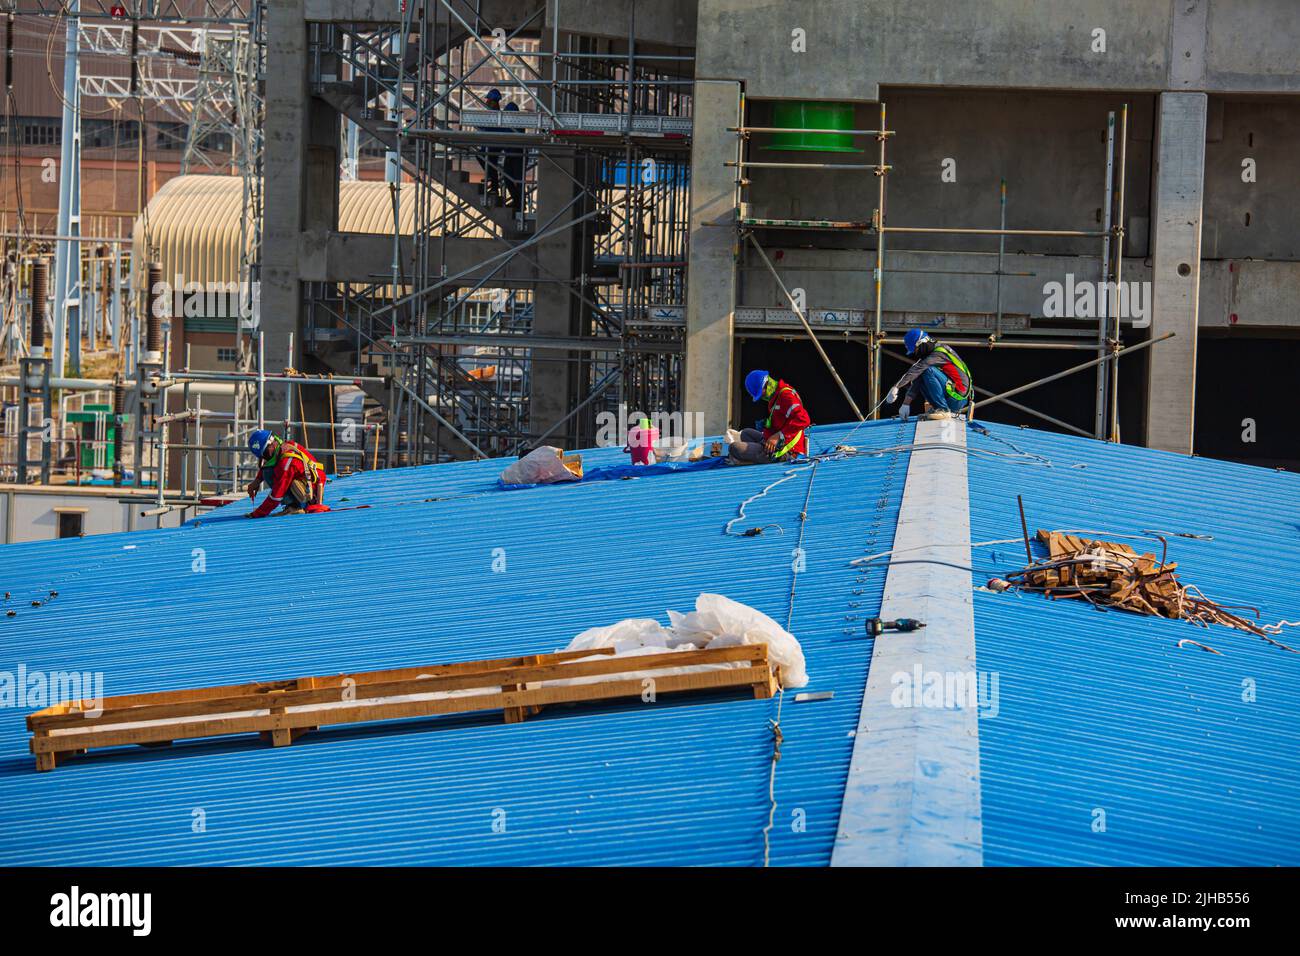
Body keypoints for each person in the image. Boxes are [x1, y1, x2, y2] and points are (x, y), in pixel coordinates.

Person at [887, 328, 972, 419]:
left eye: (916, 350)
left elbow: (917, 369)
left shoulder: (939, 353)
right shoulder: (932, 354)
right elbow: (917, 377)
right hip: (954, 395)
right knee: (921, 373)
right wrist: (906, 404)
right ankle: (938, 408)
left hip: (957, 398)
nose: (916, 354)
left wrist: (897, 386)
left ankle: (943, 410)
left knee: (927, 370)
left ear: (921, 343)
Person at [728, 370, 811, 465]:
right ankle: (759, 450)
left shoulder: (786, 396)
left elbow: (804, 420)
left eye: (761, 394)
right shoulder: (776, 396)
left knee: (734, 448)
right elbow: (781, 420)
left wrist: (779, 436)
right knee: (745, 433)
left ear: (766, 386)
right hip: (772, 442)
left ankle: (761, 455)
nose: (761, 397)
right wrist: (767, 425)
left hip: (785, 450)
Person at [246, 429, 329, 518]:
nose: (264, 458)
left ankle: (295, 507)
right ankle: (296, 504)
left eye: (264, 454)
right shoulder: (285, 446)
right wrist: (257, 481)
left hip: (312, 492)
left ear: (270, 447)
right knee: (267, 470)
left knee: (269, 473)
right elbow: (269, 465)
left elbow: (276, 496)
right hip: (311, 482)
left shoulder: (285, 464)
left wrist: (257, 514)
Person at [477, 88, 504, 204]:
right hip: (490, 144)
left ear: (494, 101)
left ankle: (494, 185)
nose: (487, 102)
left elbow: (490, 128)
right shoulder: (492, 114)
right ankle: (493, 182)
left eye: (489, 100)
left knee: (488, 161)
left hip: (493, 144)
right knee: (485, 159)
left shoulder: (497, 115)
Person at [500, 101, 526, 212]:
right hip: (510, 154)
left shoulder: (518, 123)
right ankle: (517, 201)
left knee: (518, 180)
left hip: (518, 154)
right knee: (507, 178)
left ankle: (520, 203)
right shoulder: (508, 123)